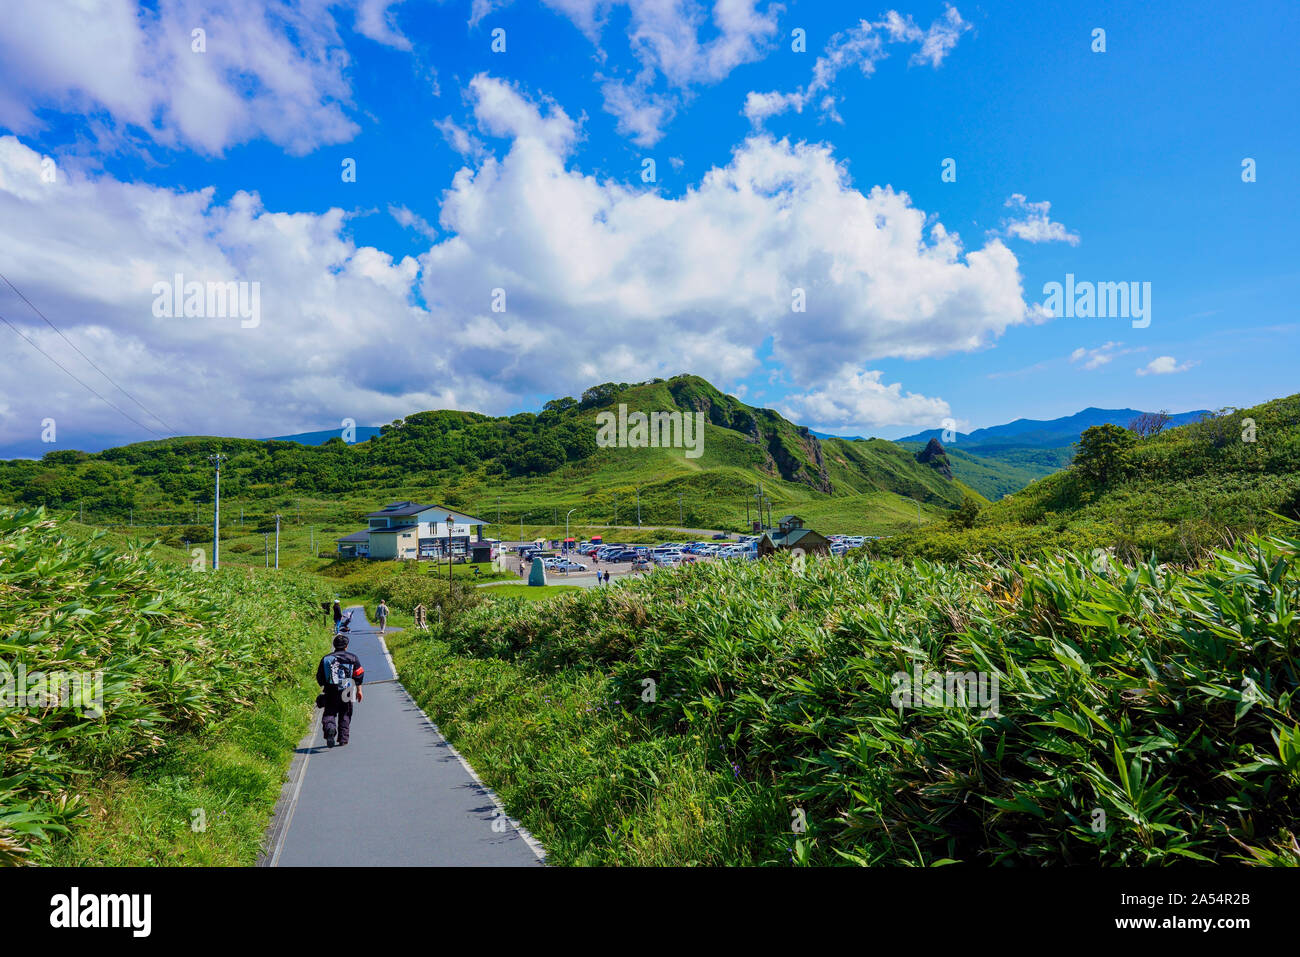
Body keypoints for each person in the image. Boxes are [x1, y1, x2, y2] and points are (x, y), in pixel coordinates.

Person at [316, 634, 364, 748]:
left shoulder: (326, 659)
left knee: (329, 713)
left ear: (334, 645)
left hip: (331, 690)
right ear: (346, 646)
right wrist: (359, 691)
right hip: (347, 689)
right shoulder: (353, 658)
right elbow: (358, 675)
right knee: (345, 714)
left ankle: (330, 729)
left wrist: (324, 684)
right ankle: (343, 739)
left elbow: (320, 677)